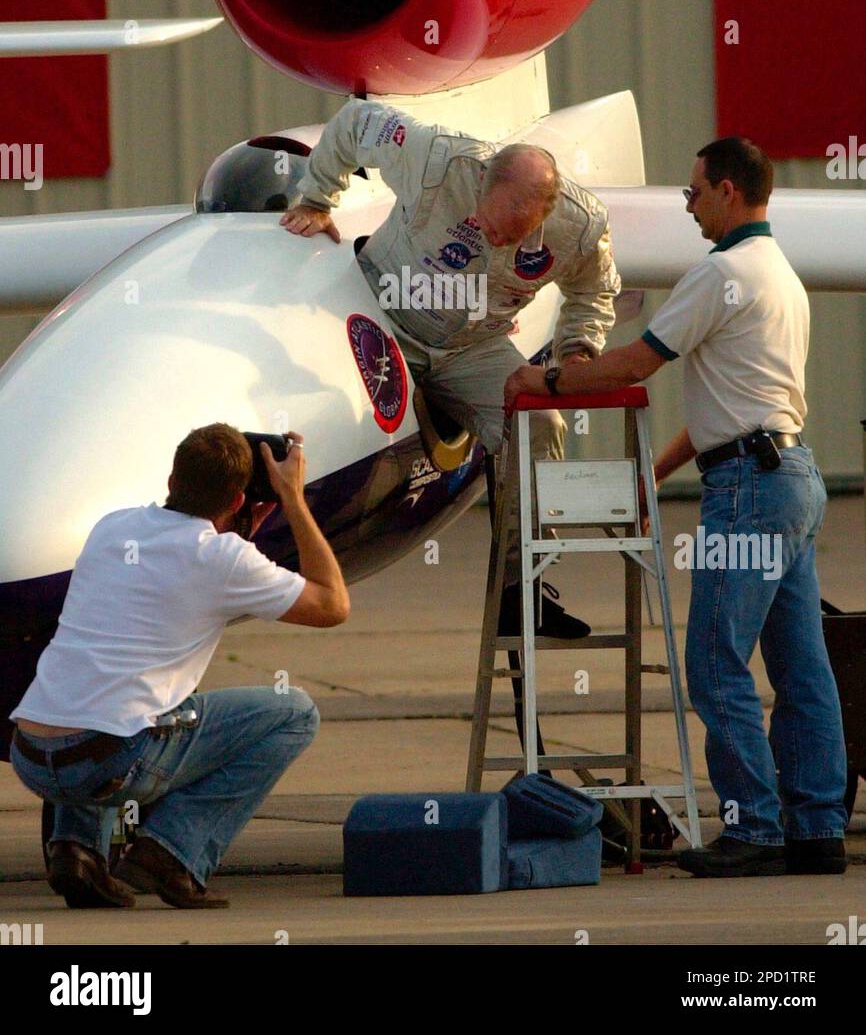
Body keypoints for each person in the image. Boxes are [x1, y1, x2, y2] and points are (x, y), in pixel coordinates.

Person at [505, 136, 848, 877]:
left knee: (716, 665)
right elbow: (737, 404)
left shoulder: (719, 274)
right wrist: (656, 471)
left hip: (749, 491)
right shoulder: (779, 274)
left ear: (727, 191)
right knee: (801, 666)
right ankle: (817, 827)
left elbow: (636, 364)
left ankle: (754, 826)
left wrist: (549, 381)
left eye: (693, 193)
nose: (688, 206)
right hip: (790, 475)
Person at [281, 96, 621, 636]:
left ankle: (523, 587)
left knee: (538, 426)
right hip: (383, 316)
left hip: (474, 346)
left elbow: (594, 292)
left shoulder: (580, 227)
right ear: (483, 184)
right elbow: (353, 121)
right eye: (489, 226)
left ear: (547, 210)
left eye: (515, 236)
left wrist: (578, 349)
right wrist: (319, 197)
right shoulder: (436, 158)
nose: (497, 241)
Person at [9, 423, 349, 909]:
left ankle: (76, 849)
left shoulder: (112, 527)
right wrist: (292, 499)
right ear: (237, 501)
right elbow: (332, 605)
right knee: (294, 712)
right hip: (107, 762)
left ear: (171, 480)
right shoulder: (224, 557)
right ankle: (171, 855)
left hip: (31, 752)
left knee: (115, 690)